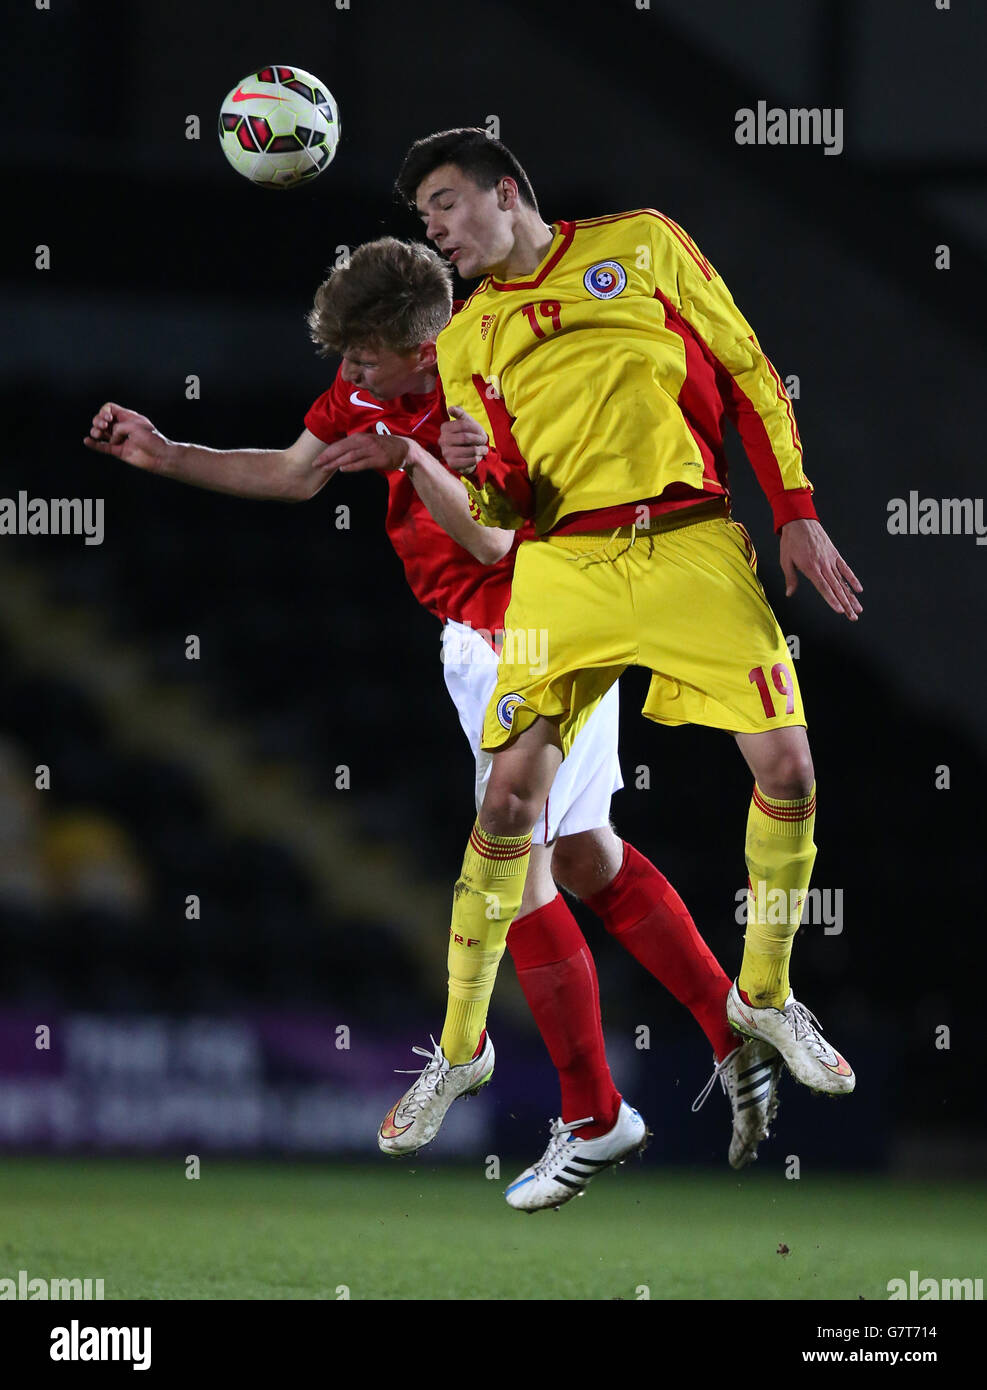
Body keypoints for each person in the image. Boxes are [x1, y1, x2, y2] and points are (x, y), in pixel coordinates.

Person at [84, 238, 781, 1209]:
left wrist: (412, 457)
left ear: (424, 346)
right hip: (473, 640)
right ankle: (726, 1028)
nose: (348, 376)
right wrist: (167, 453)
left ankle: (591, 1112)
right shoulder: (370, 382)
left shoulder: (502, 380)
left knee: (520, 860)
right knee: (581, 853)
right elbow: (294, 473)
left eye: (364, 360)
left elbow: (497, 535)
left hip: (544, 622)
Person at [384, 128, 860, 1158]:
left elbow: (745, 365)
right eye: (423, 215)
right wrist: (472, 465)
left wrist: (796, 509)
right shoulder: (465, 341)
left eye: (446, 202)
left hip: (689, 540)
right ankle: (461, 1048)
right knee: (510, 803)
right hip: (566, 568)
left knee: (791, 768)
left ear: (506, 192)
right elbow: (510, 502)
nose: (434, 227)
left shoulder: (641, 245)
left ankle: (766, 998)